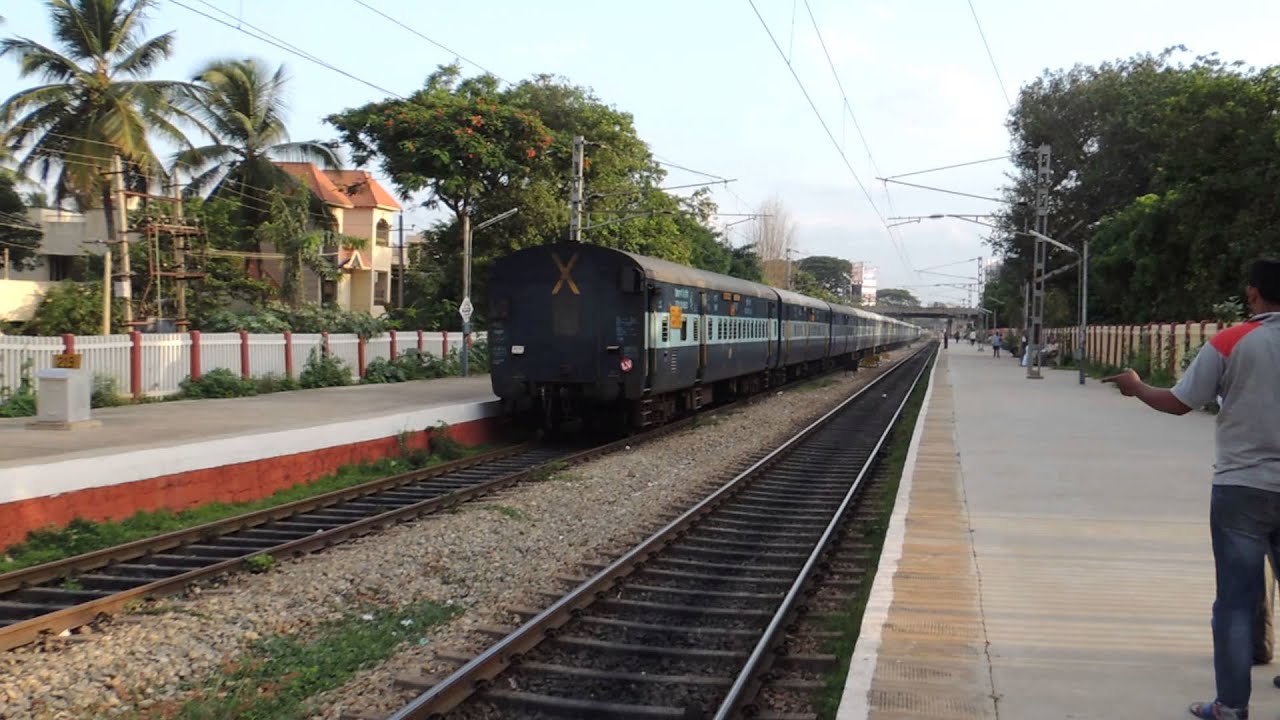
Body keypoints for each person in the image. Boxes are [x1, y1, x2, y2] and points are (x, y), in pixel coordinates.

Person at [1103, 258, 1280, 720]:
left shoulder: (1229, 341)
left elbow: (1180, 403)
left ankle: (1232, 707)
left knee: (1236, 602)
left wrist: (1137, 387)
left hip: (1242, 487)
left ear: (1253, 294)